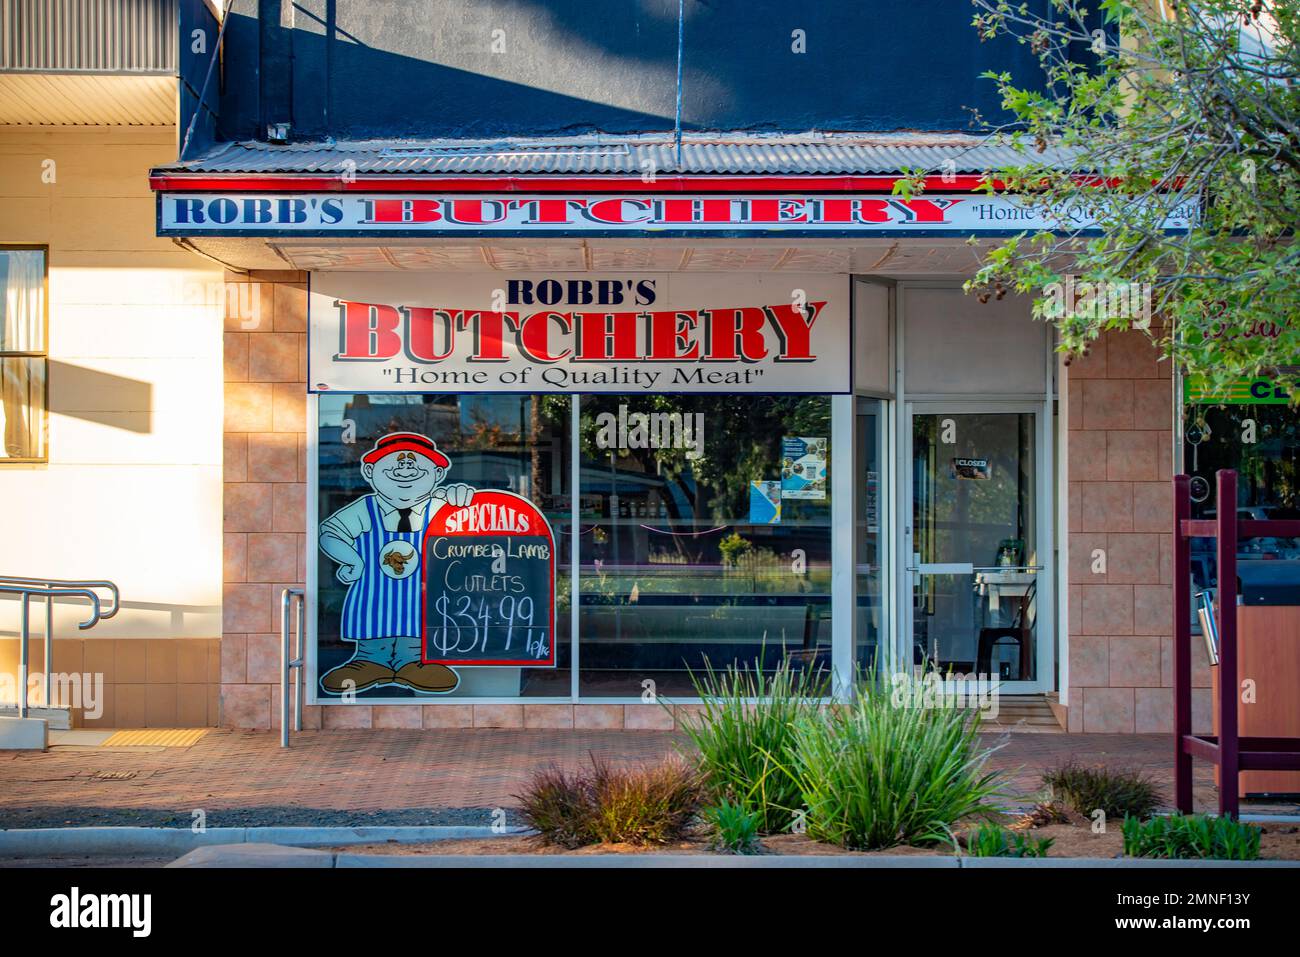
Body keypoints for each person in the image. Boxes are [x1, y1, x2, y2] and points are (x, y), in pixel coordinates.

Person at [318, 431, 474, 694]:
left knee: (417, 626)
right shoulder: (365, 509)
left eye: (418, 469)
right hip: (373, 594)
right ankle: (369, 662)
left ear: (437, 475)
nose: (405, 472)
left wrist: (460, 500)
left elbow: (471, 531)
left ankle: (413, 662)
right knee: (373, 625)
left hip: (421, 595)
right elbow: (330, 534)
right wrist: (353, 560)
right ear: (369, 472)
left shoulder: (438, 508)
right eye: (392, 467)